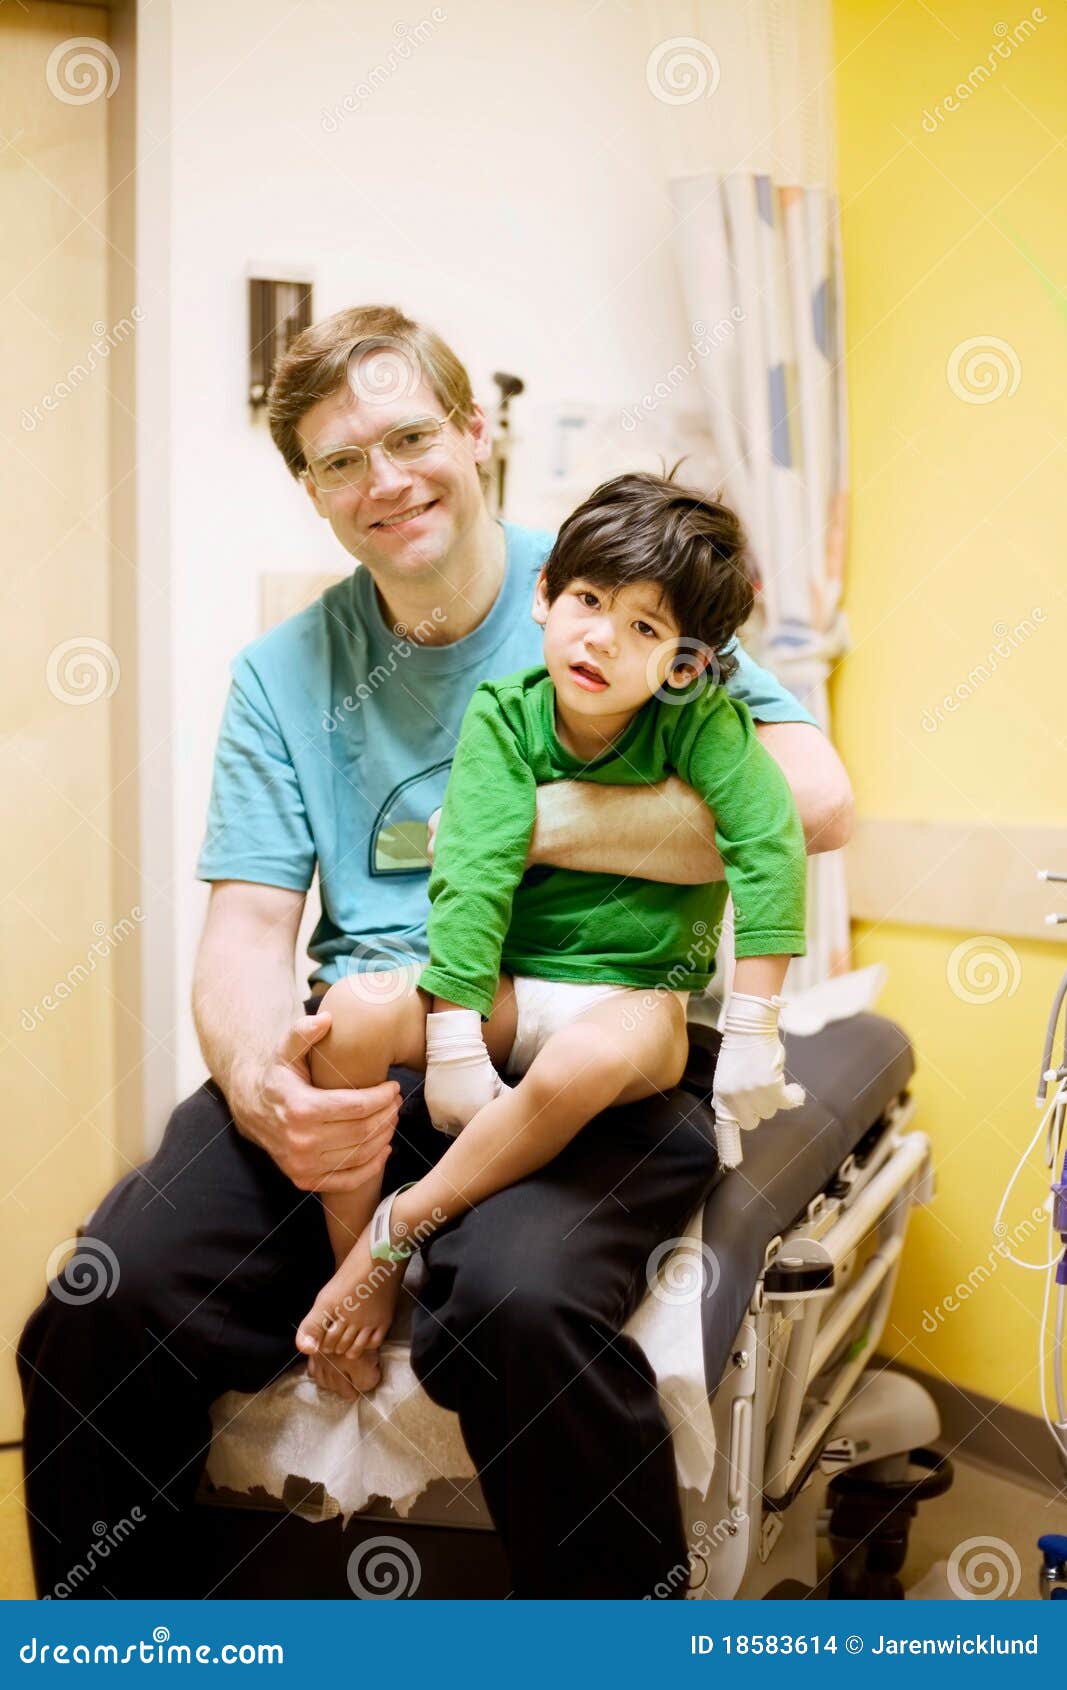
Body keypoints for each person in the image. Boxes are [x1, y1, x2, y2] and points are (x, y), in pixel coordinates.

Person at [17, 304, 853, 1600]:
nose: (385, 479)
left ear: (476, 433)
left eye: (410, 435)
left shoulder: (616, 587)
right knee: (98, 1305)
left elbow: (814, 798)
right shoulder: (282, 675)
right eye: (340, 459)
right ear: (309, 488)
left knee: (513, 1306)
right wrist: (264, 1090)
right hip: (378, 1044)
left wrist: (522, 830)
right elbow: (243, 932)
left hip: (587, 1038)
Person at [295, 469, 807, 1363]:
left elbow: (769, 846)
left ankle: (401, 1224)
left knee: (580, 1057)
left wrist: (756, 1023)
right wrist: (452, 1036)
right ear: (545, 595)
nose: (601, 638)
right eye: (587, 600)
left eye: (643, 628)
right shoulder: (503, 716)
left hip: (635, 1001)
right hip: (507, 986)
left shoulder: (702, 727)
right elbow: (472, 870)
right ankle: (357, 1267)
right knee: (349, 1014)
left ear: (684, 664)